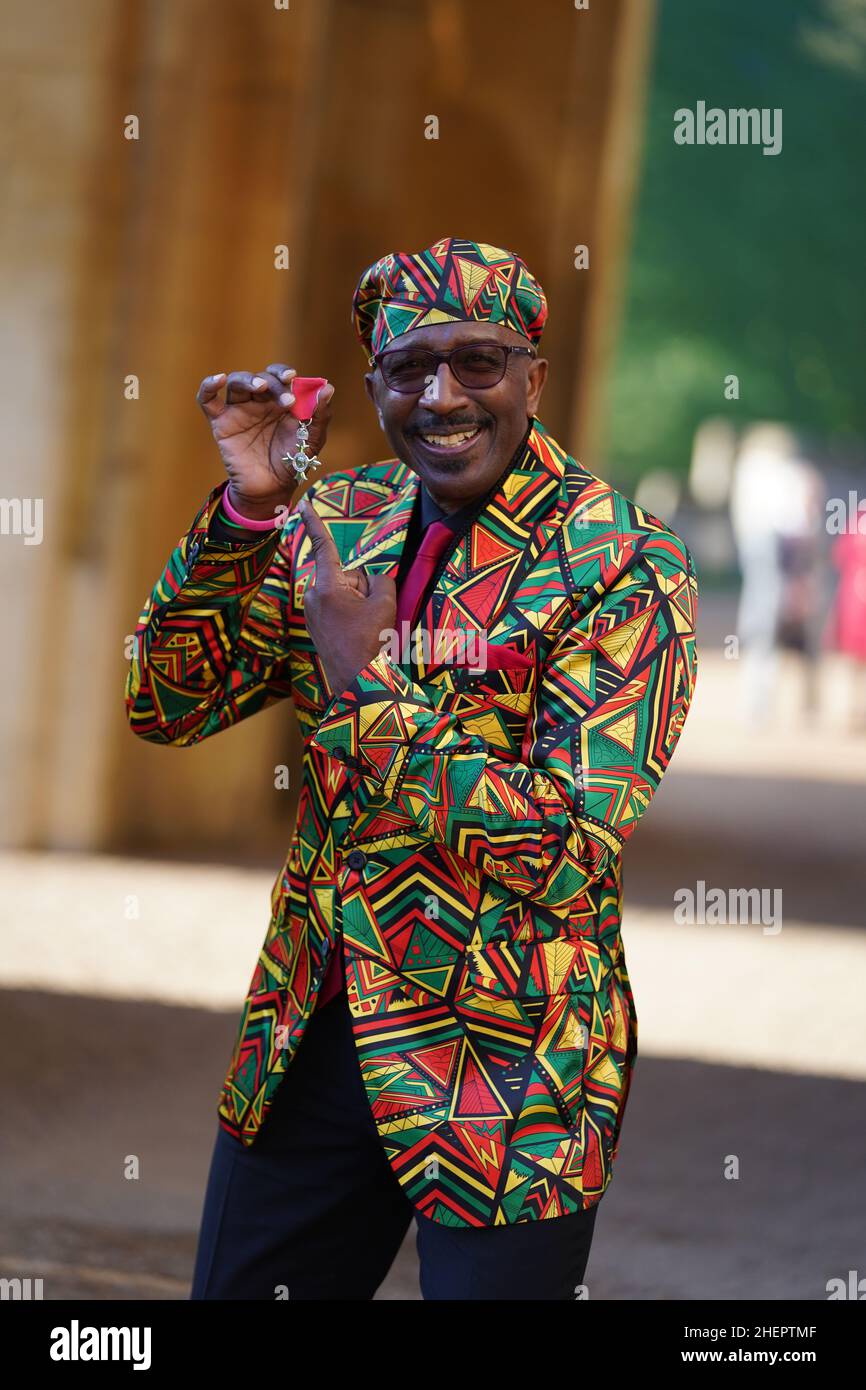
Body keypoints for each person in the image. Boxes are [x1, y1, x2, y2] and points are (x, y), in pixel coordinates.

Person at [125, 235, 699, 1300]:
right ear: (372, 385)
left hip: (510, 1068)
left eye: (475, 362)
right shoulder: (333, 521)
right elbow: (166, 701)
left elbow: (567, 847)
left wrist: (368, 691)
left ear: (533, 370)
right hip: (315, 1039)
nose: (442, 396)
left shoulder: (621, 564)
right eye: (407, 369)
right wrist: (250, 513)